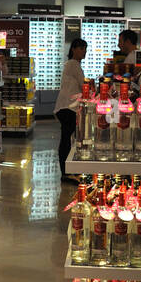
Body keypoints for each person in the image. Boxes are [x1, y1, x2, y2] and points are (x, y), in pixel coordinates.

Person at [55, 37, 88, 183]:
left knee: (67, 138)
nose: (84, 51)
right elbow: (83, 84)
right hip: (68, 107)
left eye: (85, 48)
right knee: (67, 140)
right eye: (81, 48)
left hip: (66, 107)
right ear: (73, 49)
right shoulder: (73, 64)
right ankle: (66, 172)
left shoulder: (72, 64)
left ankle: (68, 171)